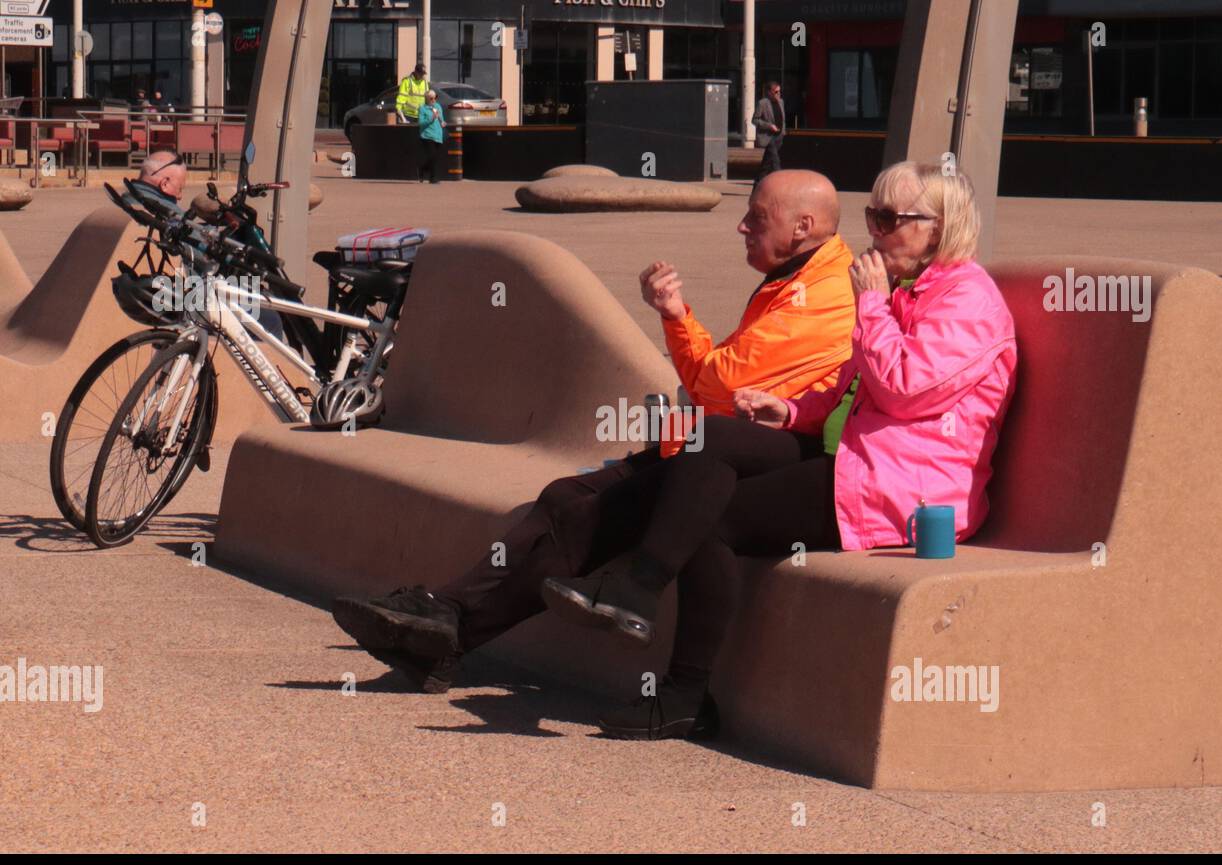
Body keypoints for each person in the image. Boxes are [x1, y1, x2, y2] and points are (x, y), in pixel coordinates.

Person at [538, 160, 1019, 740]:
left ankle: (669, 663)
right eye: (872, 215)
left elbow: (904, 387)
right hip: (863, 463)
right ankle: (640, 605)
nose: (874, 232)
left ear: (937, 229)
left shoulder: (967, 300)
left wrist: (869, 306)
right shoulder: (910, 291)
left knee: (713, 519)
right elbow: (853, 382)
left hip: (909, 494)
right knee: (709, 440)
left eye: (890, 219)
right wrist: (790, 411)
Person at [331, 169, 859, 693]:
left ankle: (446, 630)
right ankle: (444, 620)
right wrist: (677, 316)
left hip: (756, 459)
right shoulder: (795, 278)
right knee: (563, 496)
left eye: (756, 217)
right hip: (715, 445)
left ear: (802, 226)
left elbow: (719, 384)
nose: (742, 226)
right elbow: (714, 384)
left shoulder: (824, 293)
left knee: (587, 517)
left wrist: (678, 321)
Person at [752, 81, 785, 184]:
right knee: (775, 161)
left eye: (779, 91)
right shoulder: (762, 103)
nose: (778, 94)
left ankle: (757, 183)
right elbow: (755, 120)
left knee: (766, 164)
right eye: (776, 92)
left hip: (779, 136)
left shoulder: (781, 102)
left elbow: (783, 118)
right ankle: (780, 183)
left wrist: (783, 131)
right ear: (770, 92)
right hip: (768, 137)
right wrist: (769, 126)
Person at [416, 89, 444, 183]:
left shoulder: (438, 106)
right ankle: (433, 179)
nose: (434, 100)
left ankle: (422, 169)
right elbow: (420, 123)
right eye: (431, 98)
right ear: (427, 99)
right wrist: (431, 119)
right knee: (432, 156)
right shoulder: (422, 108)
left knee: (434, 158)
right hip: (427, 135)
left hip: (438, 135)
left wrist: (442, 122)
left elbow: (441, 119)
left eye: (435, 98)